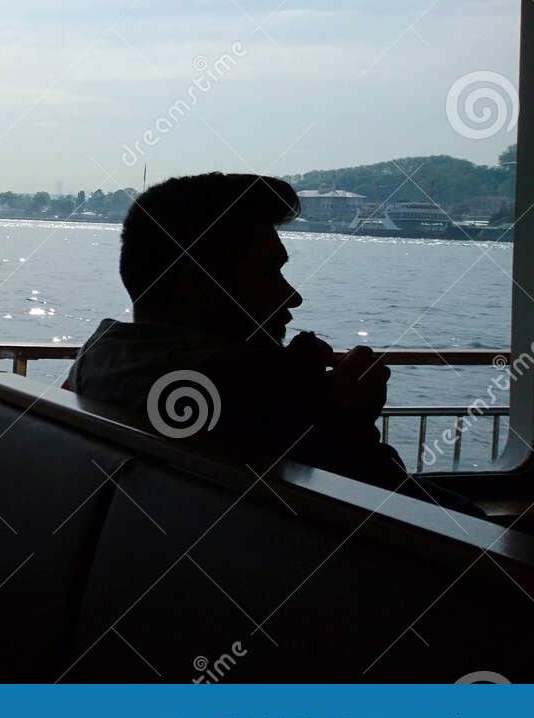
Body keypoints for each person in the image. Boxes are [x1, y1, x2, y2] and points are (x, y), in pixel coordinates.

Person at [65, 172, 479, 515]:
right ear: (197, 287)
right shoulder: (247, 397)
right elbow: (397, 516)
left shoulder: (100, 363)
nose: (292, 296)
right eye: (269, 273)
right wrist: (348, 420)